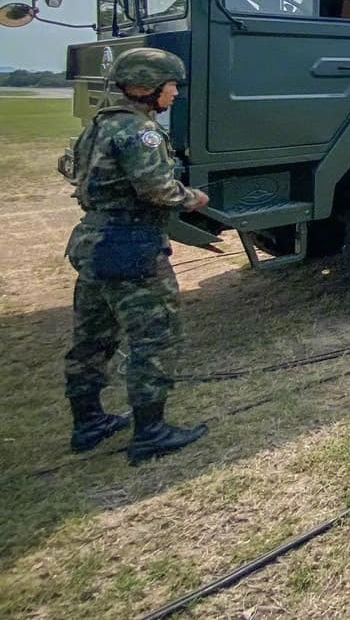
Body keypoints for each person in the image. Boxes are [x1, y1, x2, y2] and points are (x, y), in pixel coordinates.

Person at [63, 47, 211, 464]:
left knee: (92, 339)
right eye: (171, 85)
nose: (176, 93)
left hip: (93, 242)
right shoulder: (140, 132)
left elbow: (76, 174)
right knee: (155, 338)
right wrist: (193, 197)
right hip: (131, 246)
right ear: (148, 88)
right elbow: (158, 190)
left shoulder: (100, 125)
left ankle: (88, 422)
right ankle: (151, 431)